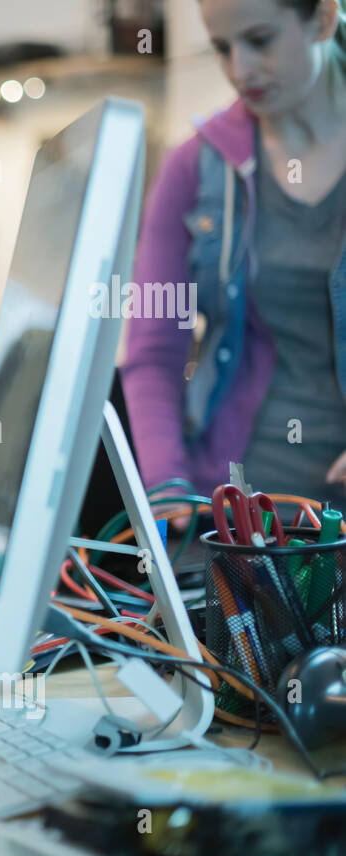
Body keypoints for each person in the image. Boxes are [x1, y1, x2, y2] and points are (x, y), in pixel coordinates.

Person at [123, 0, 346, 508]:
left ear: (323, 18)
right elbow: (155, 347)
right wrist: (165, 483)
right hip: (237, 516)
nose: (239, 70)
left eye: (260, 40)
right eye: (222, 48)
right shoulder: (193, 167)